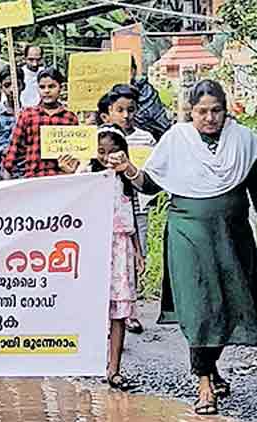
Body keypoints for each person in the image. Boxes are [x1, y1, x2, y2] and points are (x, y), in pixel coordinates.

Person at [124, 80, 257, 414]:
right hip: (188, 236)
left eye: (216, 111)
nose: (209, 118)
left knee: (228, 306)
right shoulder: (176, 141)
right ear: (190, 112)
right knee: (199, 307)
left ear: (226, 112)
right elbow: (150, 183)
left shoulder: (242, 141)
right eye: (202, 111)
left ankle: (209, 367)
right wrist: (127, 169)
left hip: (232, 236)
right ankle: (204, 386)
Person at [59, 127, 143, 390]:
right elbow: (68, 199)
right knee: (90, 309)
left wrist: (138, 251)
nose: (108, 158)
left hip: (120, 249)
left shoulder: (127, 180)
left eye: (113, 152)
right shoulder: (86, 176)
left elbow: (134, 217)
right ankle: (86, 362)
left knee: (119, 311)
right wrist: (67, 173)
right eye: (102, 152)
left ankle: (113, 368)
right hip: (93, 248)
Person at [99, 84, 158, 335]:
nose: (125, 115)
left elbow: (149, 177)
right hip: (105, 211)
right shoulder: (98, 139)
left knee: (133, 258)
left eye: (130, 110)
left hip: (136, 207)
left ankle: (129, 312)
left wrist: (130, 168)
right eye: (119, 110)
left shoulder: (145, 138)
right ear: (108, 113)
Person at [2, 67, 78, 178]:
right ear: (38, 89)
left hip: (62, 177)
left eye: (51, 86)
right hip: (33, 178)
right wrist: (7, 177)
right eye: (42, 87)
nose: (46, 91)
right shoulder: (27, 115)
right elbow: (14, 148)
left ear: (60, 88)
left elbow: (76, 152)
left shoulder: (70, 118)